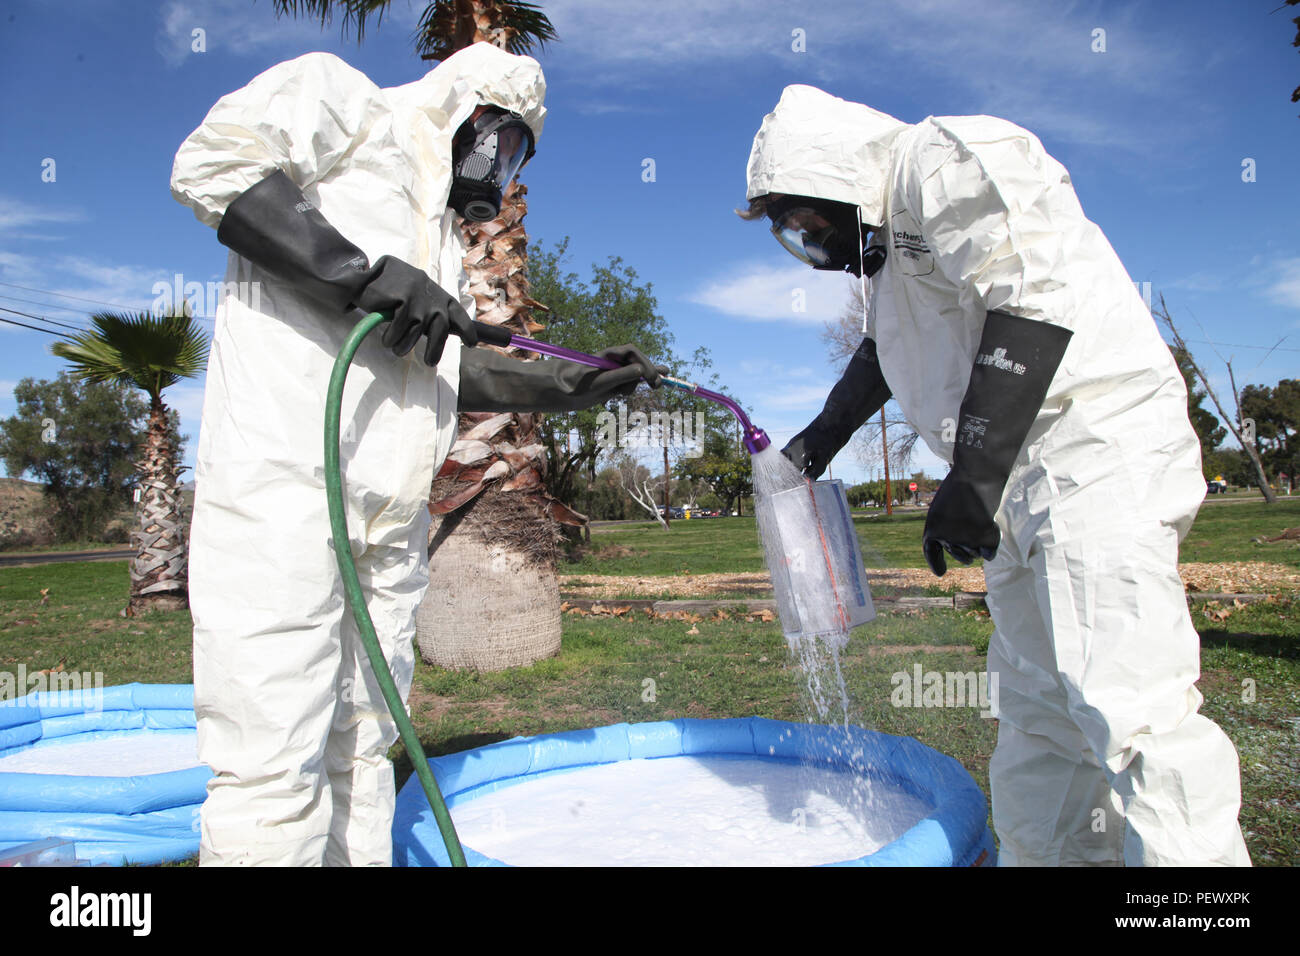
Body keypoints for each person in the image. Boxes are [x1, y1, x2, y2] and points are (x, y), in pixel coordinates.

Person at [171, 44, 663, 866]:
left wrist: (581, 388)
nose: (503, 174)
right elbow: (212, 164)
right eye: (503, 146)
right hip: (287, 494)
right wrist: (354, 276)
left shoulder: (437, 236)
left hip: (391, 516)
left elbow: (448, 363)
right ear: (470, 108)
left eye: (517, 162)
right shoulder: (343, 101)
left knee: (365, 746)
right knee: (272, 751)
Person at [743, 84, 1250, 866]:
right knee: (1038, 709)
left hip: (1090, 448)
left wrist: (974, 478)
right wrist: (818, 442)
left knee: (1128, 700)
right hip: (1017, 472)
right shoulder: (888, 256)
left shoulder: (948, 157)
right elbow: (884, 352)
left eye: (805, 224)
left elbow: (1033, 301)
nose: (809, 247)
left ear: (838, 178)